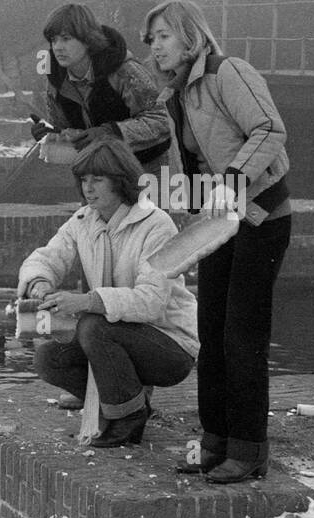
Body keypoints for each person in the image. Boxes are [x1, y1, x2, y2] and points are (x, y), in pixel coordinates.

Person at [144, 0, 291, 484]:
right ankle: (214, 443)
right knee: (212, 335)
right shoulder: (178, 95)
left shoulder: (230, 72)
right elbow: (194, 164)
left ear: (190, 35)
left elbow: (270, 128)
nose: (155, 46)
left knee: (242, 337)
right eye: (151, 39)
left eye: (163, 35)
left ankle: (249, 451)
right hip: (218, 221)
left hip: (261, 216)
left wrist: (232, 179)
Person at [16, 139, 198, 448]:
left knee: (93, 325)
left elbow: (151, 301)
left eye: (97, 179)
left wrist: (87, 301)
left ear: (120, 179)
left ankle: (128, 417)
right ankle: (129, 401)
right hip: (119, 334)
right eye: (83, 179)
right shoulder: (85, 220)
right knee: (49, 358)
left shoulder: (156, 225)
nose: (88, 188)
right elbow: (47, 257)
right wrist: (40, 284)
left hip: (170, 344)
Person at [32, 3, 171, 178]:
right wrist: (50, 135)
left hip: (144, 170)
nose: (58, 47)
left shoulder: (124, 71)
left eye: (66, 38)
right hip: (94, 174)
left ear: (87, 40)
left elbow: (162, 120)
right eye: (53, 40)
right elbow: (66, 129)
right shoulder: (56, 80)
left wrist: (113, 132)